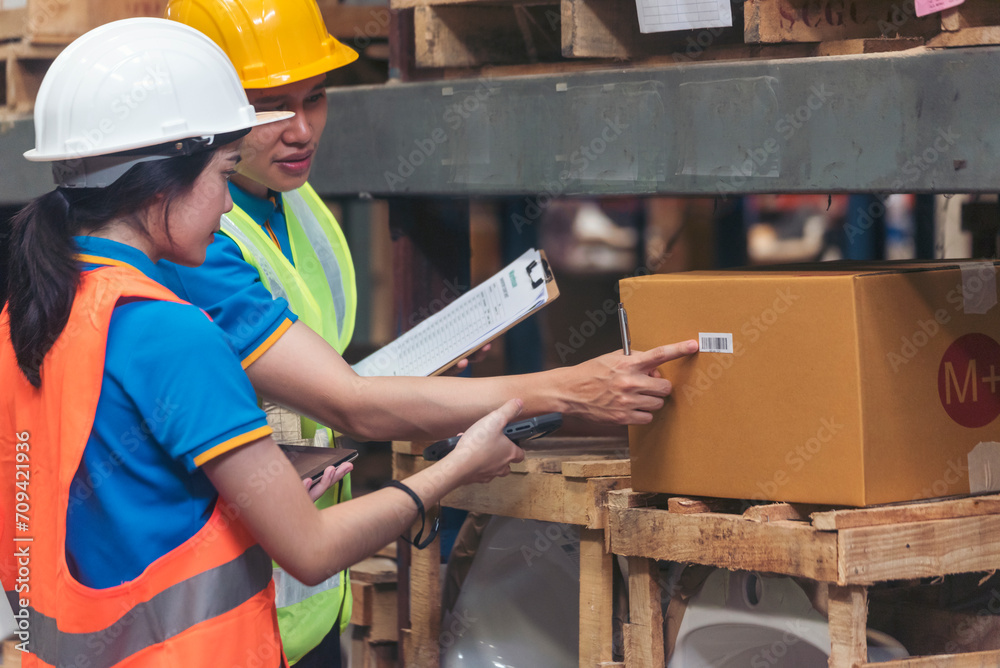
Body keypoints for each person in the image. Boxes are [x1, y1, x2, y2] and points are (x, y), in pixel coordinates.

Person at [159, 1, 697, 663]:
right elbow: (342, 402)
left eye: (317, 98)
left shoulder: (290, 201)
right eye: (270, 105)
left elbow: (316, 384)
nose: (301, 130)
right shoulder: (199, 241)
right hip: (229, 605)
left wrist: (419, 373)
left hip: (299, 592)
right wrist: (571, 390)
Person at [0, 18, 525, 668]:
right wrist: (461, 466)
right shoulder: (170, 330)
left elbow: (96, 512)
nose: (226, 206)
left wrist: (232, 506)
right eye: (222, 175)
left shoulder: (32, 309)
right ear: (161, 181)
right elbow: (309, 551)